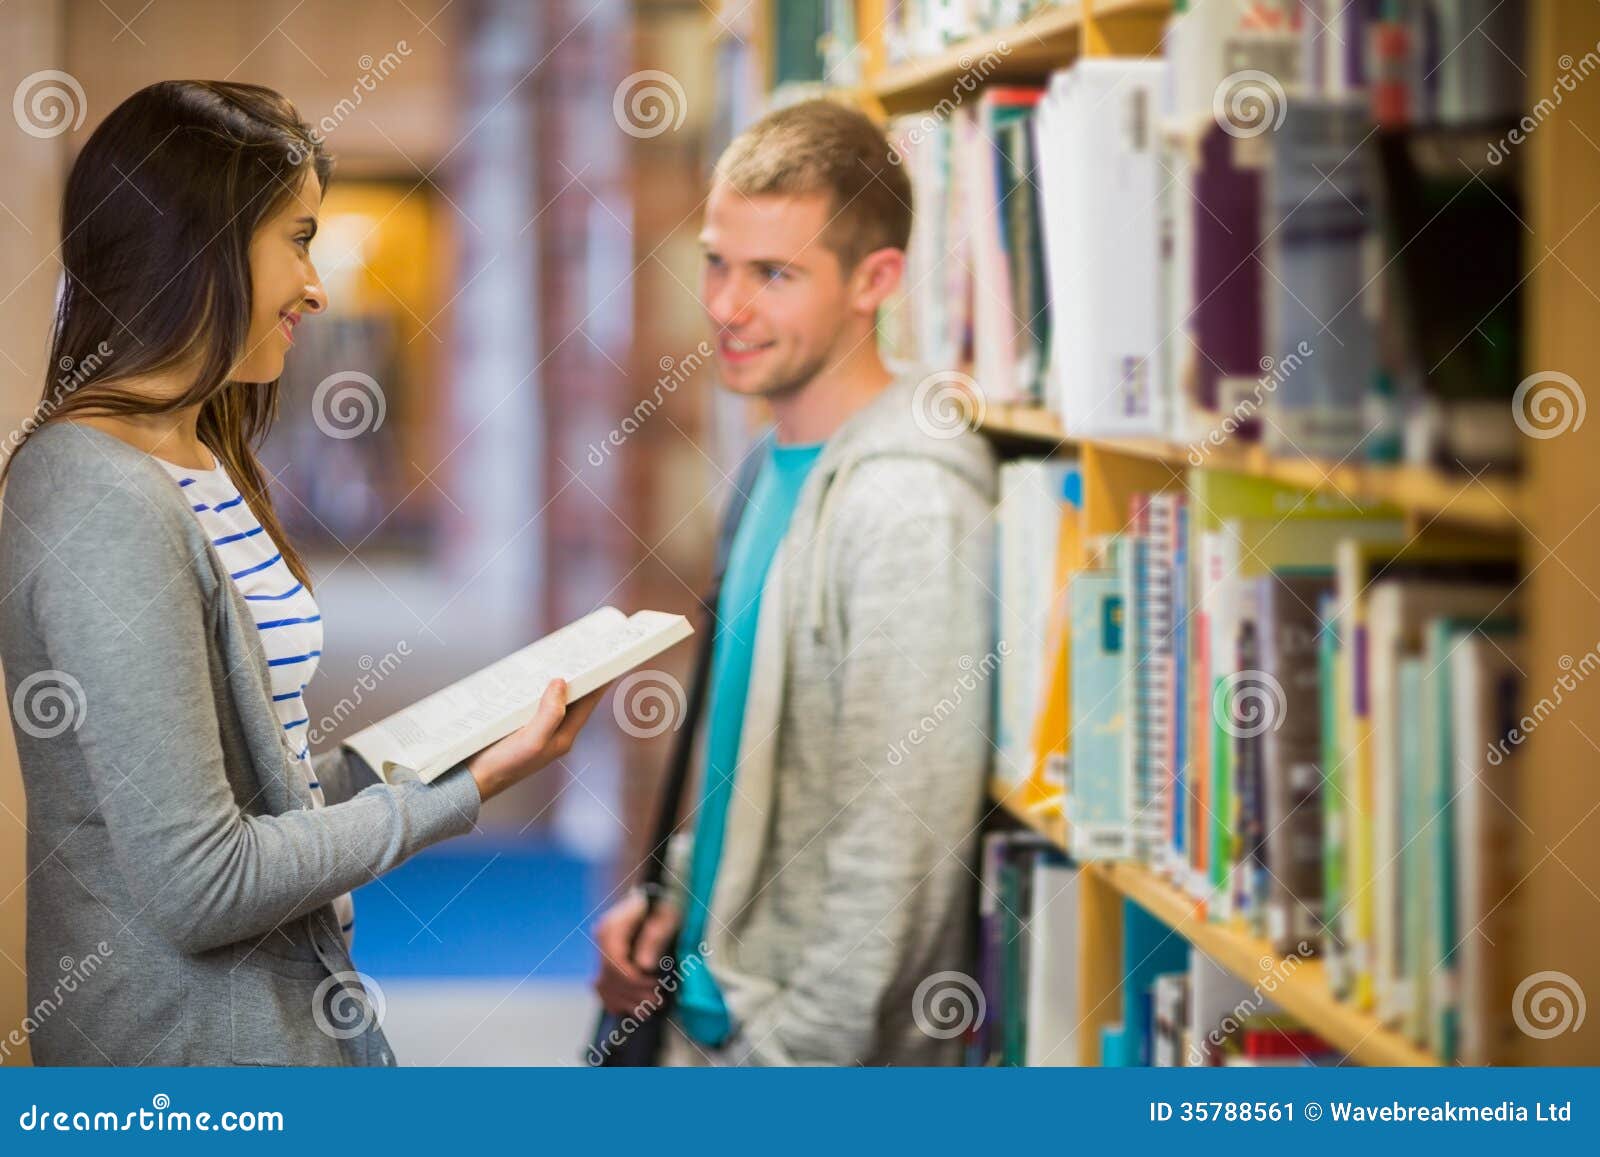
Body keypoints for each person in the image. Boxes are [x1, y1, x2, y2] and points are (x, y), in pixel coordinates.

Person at [0, 81, 598, 1066]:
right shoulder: (99, 495)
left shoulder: (196, 453)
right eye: (300, 237)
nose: (318, 286)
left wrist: (439, 750)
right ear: (200, 247)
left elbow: (245, 784)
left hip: (285, 1018)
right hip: (190, 1061)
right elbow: (203, 881)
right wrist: (461, 793)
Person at [593, 99, 997, 1066]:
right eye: (718, 262)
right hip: (708, 1008)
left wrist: (789, 1061)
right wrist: (673, 895)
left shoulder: (905, 510)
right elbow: (747, 753)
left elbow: (898, 862)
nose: (728, 307)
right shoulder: (774, 465)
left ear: (877, 281)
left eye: (775, 274)